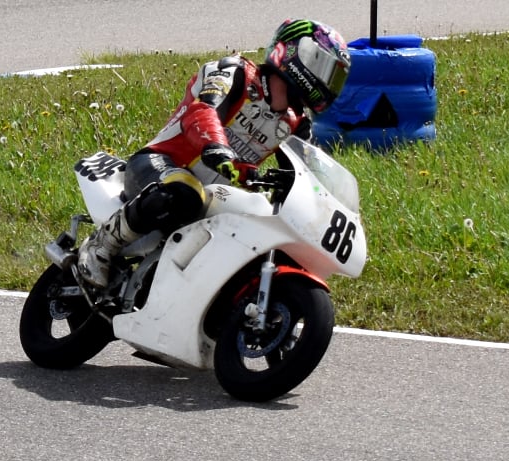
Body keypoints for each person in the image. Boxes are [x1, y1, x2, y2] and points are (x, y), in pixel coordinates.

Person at [74, 19, 352, 287]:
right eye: (323, 67)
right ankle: (102, 243)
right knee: (185, 192)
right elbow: (201, 112)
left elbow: (307, 175)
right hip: (159, 164)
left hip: (214, 196)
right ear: (292, 52)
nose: (327, 82)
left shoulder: (297, 124)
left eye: (334, 77)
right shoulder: (237, 72)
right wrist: (218, 148)